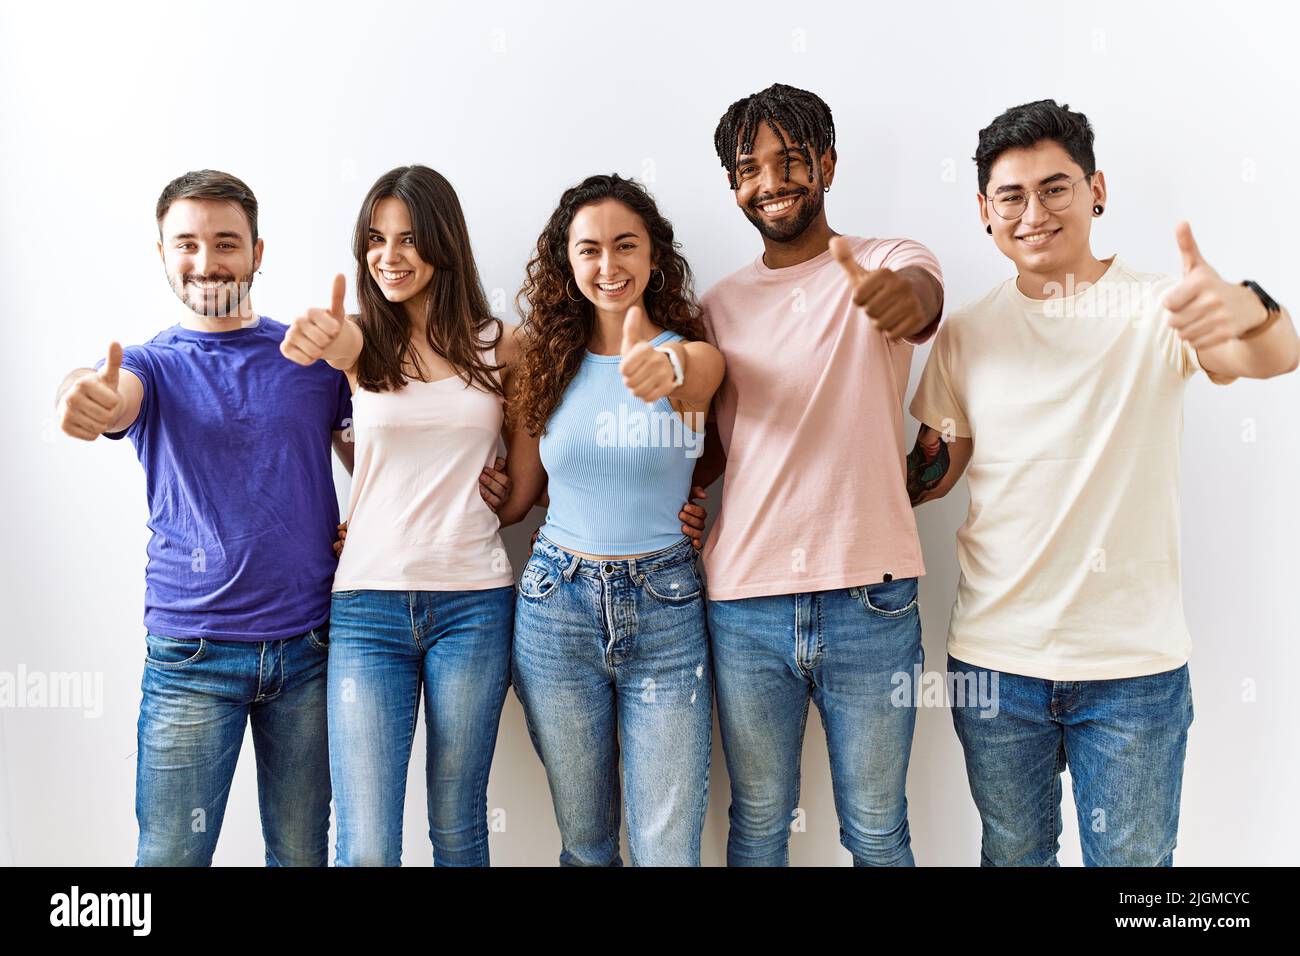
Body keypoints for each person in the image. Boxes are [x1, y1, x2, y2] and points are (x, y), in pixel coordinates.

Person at [907, 99, 1299, 866]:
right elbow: (935, 466)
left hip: (1132, 674)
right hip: (995, 664)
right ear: (985, 212)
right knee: (1013, 857)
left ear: (1097, 191)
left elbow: (1273, 354)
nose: (1033, 213)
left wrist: (1245, 309)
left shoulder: (1165, 309)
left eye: (1055, 188)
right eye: (1011, 197)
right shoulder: (967, 332)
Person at [56, 169, 353, 866]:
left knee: (303, 853)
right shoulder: (151, 368)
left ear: (257, 252)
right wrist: (81, 393)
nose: (206, 261)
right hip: (193, 654)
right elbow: (109, 394)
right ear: (161, 253)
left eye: (226, 242)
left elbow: (377, 461)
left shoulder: (312, 362)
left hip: (311, 647)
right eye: (186, 243)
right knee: (169, 857)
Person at [693, 83, 945, 866]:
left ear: (827, 163)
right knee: (760, 825)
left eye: (791, 160)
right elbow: (709, 450)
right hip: (744, 603)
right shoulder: (717, 306)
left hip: (870, 594)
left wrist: (896, 306)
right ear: (734, 185)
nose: (770, 182)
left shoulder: (887, 260)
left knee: (875, 829)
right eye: (749, 169)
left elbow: (922, 304)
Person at [281, 164, 518, 866]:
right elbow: (369, 433)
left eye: (410, 239)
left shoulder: (501, 344)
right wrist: (321, 336)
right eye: (375, 240)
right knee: (368, 843)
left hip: (475, 603)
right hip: (367, 606)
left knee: (458, 826)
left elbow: (529, 479)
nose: (390, 256)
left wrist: (506, 493)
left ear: (445, 242)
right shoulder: (357, 342)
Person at [493, 174, 725, 866]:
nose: (608, 265)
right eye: (589, 249)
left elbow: (699, 377)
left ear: (654, 256)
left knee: (666, 850)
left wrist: (666, 368)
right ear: (567, 262)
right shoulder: (541, 360)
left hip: (667, 606)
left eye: (626, 246)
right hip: (554, 604)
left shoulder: (695, 351)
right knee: (588, 846)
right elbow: (523, 498)